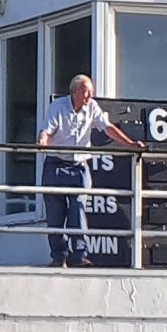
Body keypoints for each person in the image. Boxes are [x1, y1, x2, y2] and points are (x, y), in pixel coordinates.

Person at [34, 75, 145, 267]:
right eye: (86, 91)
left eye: (91, 91)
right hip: (56, 164)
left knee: (78, 210)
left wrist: (130, 144)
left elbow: (107, 127)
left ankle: (78, 256)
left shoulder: (92, 106)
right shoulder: (58, 106)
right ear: (75, 91)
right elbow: (47, 129)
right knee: (55, 215)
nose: (90, 95)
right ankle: (58, 257)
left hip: (79, 166)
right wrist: (42, 141)